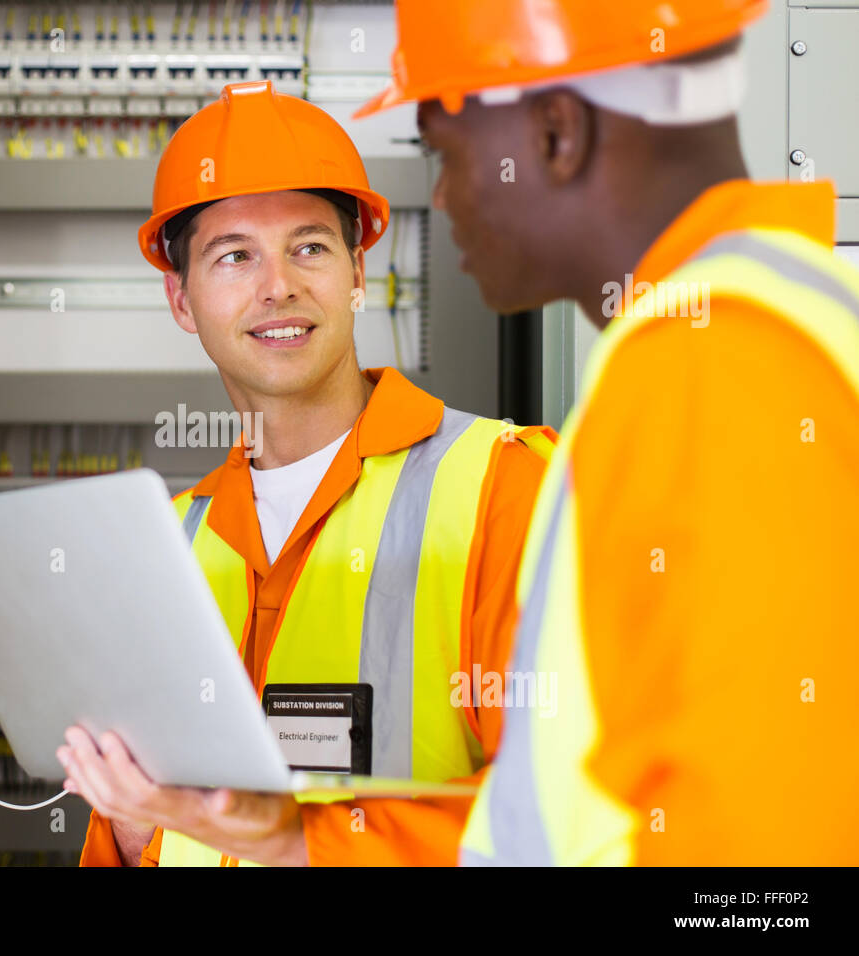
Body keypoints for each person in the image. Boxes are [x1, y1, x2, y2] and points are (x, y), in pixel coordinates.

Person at [352, 0, 859, 863]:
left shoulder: (707, 370)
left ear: (556, 133)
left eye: (444, 151)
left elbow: (758, 867)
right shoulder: (748, 324)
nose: (439, 196)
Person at [55, 80, 554, 866]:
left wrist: (300, 843)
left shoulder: (501, 490)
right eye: (234, 256)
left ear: (359, 272)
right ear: (181, 301)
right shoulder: (169, 549)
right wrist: (135, 830)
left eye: (310, 246)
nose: (278, 284)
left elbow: (565, 815)